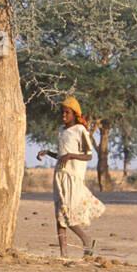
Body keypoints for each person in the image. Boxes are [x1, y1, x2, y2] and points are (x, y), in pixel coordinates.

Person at [37, 96, 104, 258]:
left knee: (66, 214)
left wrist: (70, 155)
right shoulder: (62, 131)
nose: (63, 115)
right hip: (59, 176)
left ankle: (86, 240)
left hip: (72, 178)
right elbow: (62, 156)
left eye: (67, 112)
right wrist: (48, 153)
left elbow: (89, 156)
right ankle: (63, 254)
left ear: (74, 114)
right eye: (62, 112)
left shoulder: (81, 130)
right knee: (59, 215)